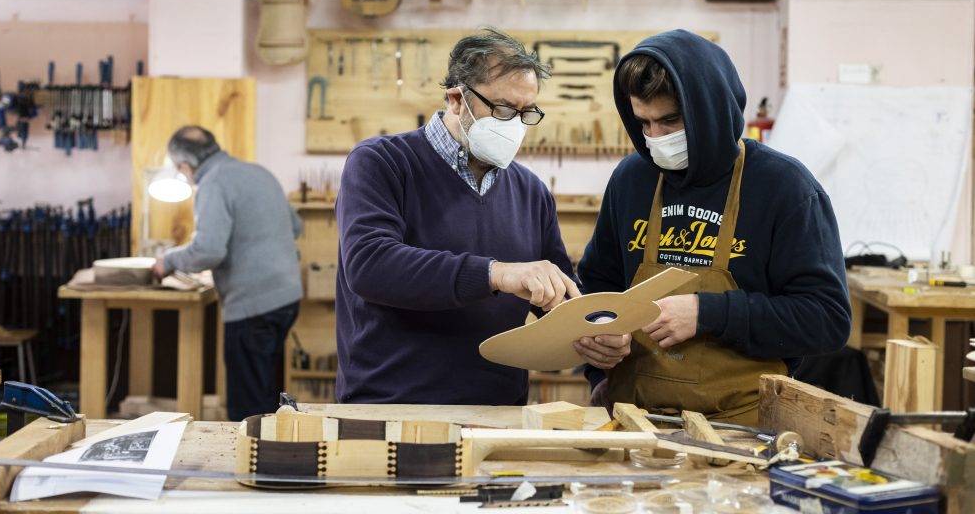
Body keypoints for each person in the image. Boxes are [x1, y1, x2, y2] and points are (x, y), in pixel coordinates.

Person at [334, 27, 629, 406]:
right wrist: (497, 274)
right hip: (392, 405)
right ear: (457, 99)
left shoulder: (532, 192)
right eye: (503, 109)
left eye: (526, 113)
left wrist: (597, 329)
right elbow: (370, 265)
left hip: (500, 411)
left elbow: (558, 295)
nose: (515, 124)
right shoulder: (382, 162)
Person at [578, 30, 851, 426]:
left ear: (709, 109)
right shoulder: (631, 179)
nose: (655, 138)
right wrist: (597, 355)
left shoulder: (785, 188)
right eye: (644, 123)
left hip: (739, 428)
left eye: (669, 121)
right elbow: (597, 287)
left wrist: (709, 312)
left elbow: (827, 319)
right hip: (633, 421)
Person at [152, 126, 304, 421]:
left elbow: (208, 251)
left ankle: (255, 451)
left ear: (185, 166)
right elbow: (296, 227)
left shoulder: (212, 183)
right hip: (287, 298)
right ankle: (271, 447)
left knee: (248, 407)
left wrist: (167, 261)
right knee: (264, 392)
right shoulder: (258, 172)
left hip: (253, 307)